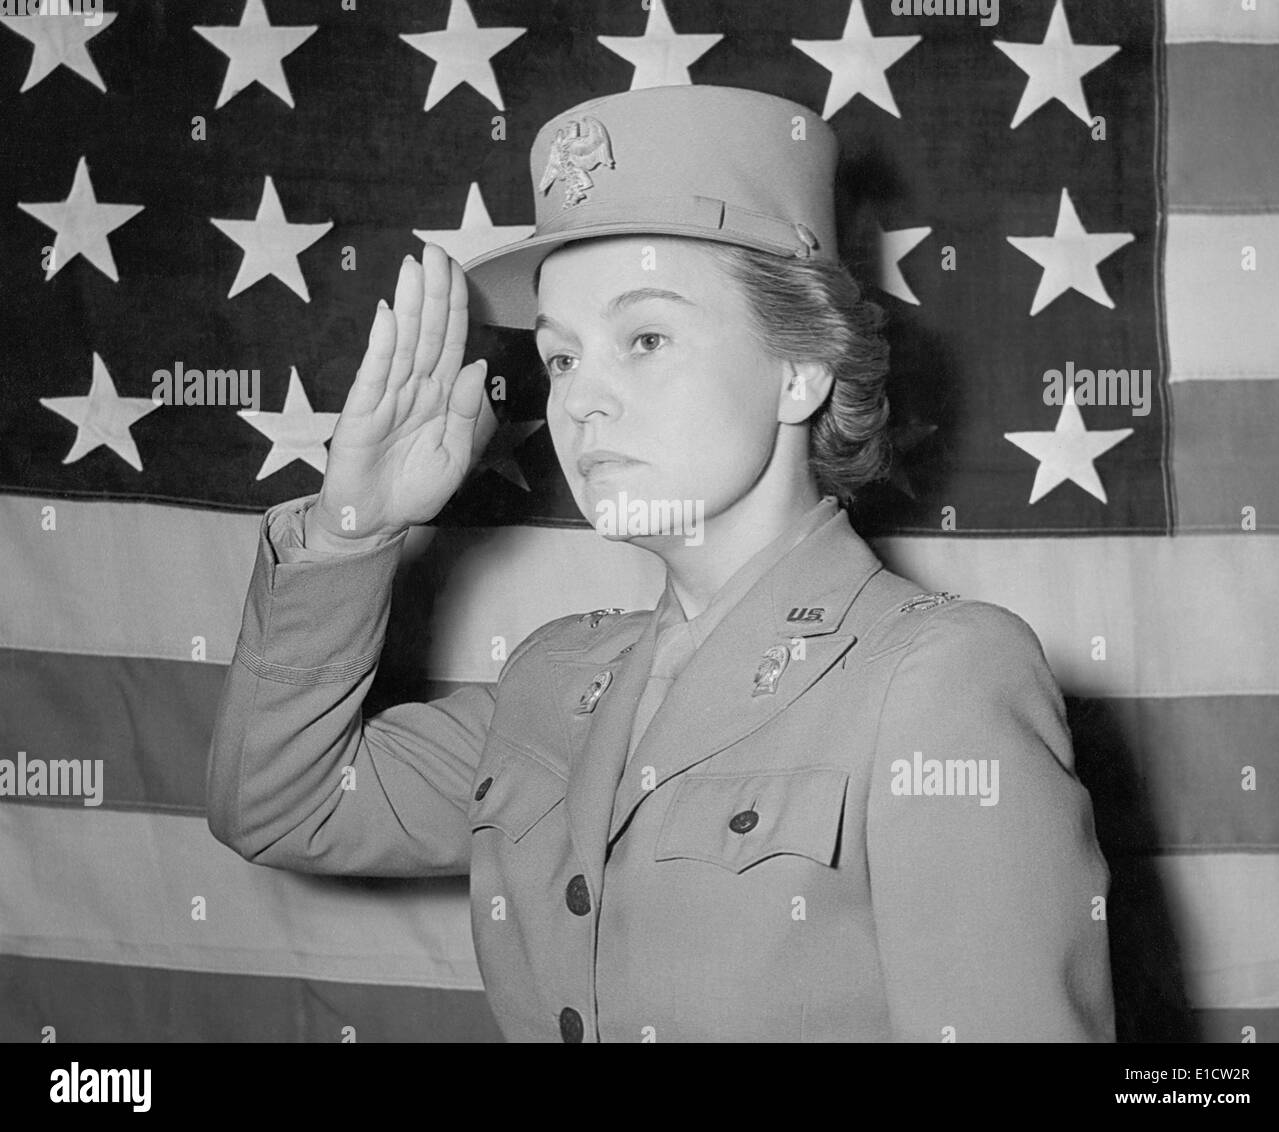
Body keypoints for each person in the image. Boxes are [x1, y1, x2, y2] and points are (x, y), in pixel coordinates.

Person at [207, 84, 1115, 1042]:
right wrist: (353, 530)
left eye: (645, 338)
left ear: (800, 368)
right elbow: (280, 806)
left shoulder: (942, 680)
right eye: (560, 358)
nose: (582, 399)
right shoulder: (552, 681)